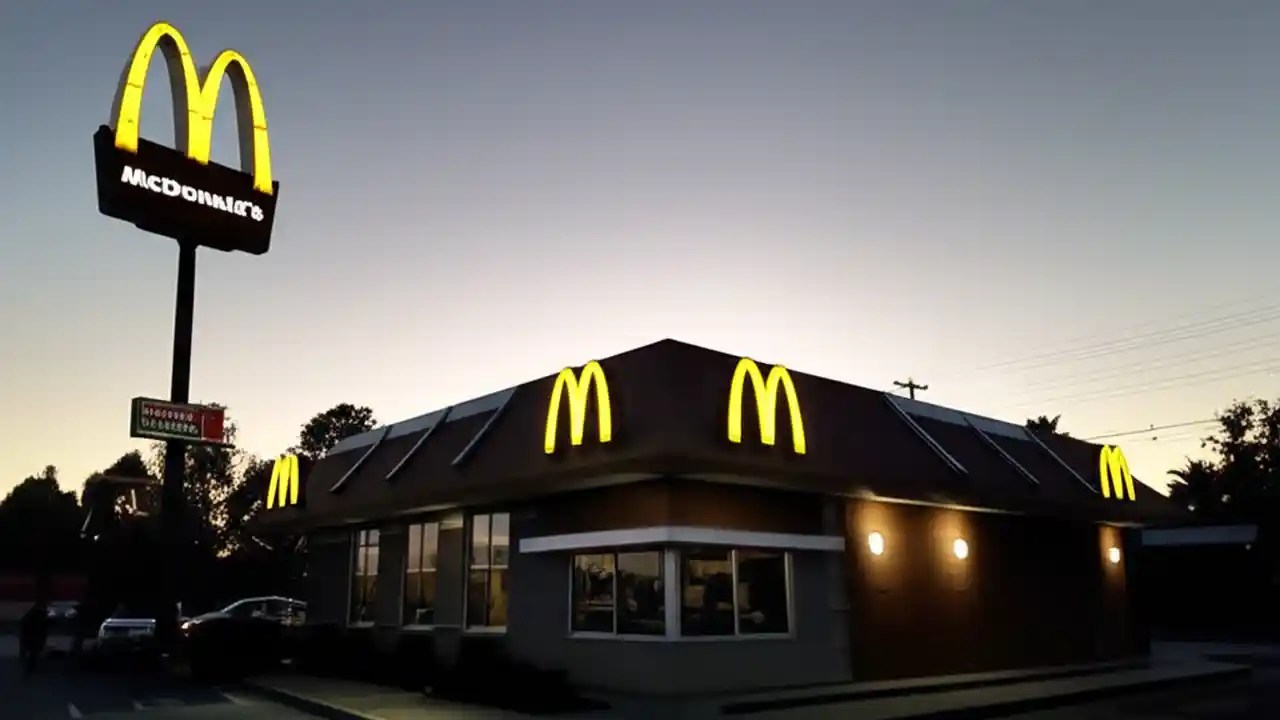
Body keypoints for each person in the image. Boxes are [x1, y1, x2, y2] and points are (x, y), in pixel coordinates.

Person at [18, 596, 51, 674]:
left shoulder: (31, 613)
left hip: (29, 635)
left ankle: (27, 662)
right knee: (33, 650)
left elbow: (23, 624)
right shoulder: (40, 614)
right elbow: (44, 626)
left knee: (30, 649)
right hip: (34, 636)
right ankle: (30, 665)